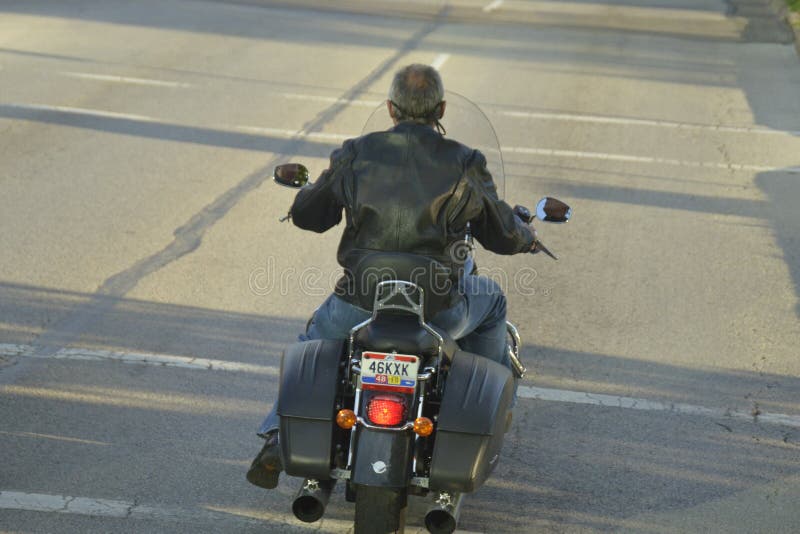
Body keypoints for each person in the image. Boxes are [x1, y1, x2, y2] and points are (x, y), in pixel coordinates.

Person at [246, 64, 536, 490]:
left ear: (390, 109)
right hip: (438, 308)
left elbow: (313, 215)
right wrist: (526, 236)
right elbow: (501, 232)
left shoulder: (356, 153)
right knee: (491, 301)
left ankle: (276, 436)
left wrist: (303, 201)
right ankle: (483, 412)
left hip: (361, 301)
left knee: (314, 342)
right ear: (440, 108)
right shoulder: (465, 161)